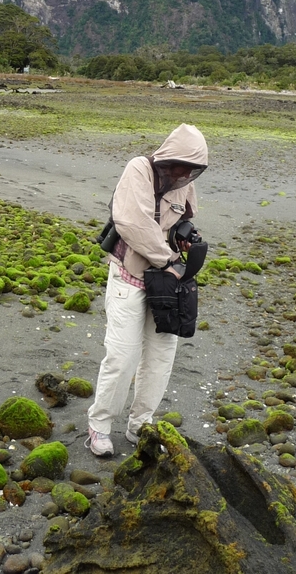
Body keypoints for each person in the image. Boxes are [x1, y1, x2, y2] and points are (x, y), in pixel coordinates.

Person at [86, 123, 208, 456]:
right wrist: (168, 259)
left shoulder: (185, 183)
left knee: (159, 358)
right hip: (130, 276)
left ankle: (141, 426)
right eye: (180, 166)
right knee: (122, 357)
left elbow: (184, 218)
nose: (183, 173)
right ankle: (99, 427)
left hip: (165, 284)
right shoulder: (139, 169)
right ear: (168, 155)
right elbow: (130, 221)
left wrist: (185, 235)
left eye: (191, 169)